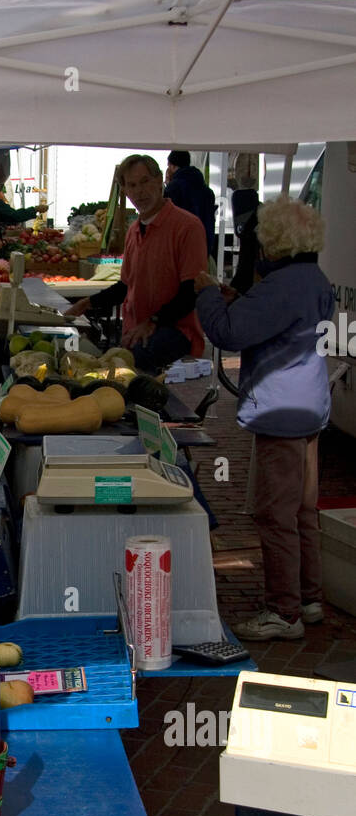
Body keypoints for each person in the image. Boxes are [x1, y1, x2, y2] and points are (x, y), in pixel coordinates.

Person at [194, 197, 335, 641]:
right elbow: (270, 321)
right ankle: (309, 598)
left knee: (276, 515)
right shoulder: (315, 279)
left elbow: (229, 333)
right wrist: (240, 301)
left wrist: (205, 294)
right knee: (303, 511)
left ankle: (283, 612)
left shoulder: (280, 286)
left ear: (272, 242)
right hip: (310, 403)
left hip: (281, 410)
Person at [66, 154, 208, 374]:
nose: (139, 191)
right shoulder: (133, 231)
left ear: (159, 180)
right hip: (135, 331)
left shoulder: (188, 227)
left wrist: (152, 322)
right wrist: (86, 304)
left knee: (133, 369)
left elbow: (191, 292)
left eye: (145, 181)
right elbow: (125, 286)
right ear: (124, 190)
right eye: (132, 185)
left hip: (176, 331)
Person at [164, 150, 217, 256]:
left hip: (179, 250)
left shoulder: (173, 189)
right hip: (202, 248)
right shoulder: (207, 192)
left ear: (172, 166)